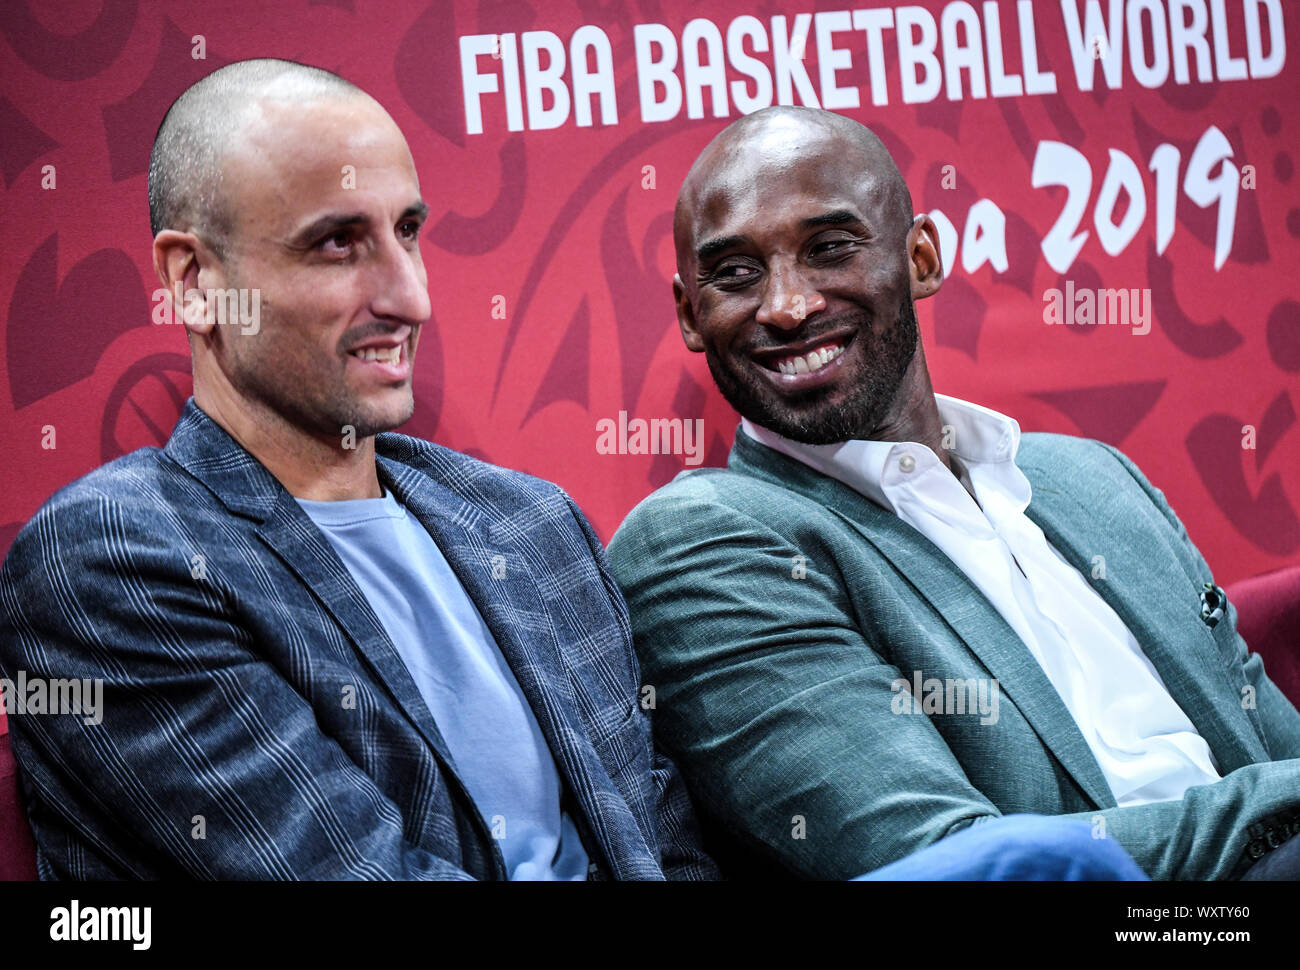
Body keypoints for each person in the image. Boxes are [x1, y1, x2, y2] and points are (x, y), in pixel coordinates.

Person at [607, 105, 1300, 881]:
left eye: (830, 248)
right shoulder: (704, 545)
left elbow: (1272, 740)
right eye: (735, 274)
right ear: (689, 315)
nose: (788, 306)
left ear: (923, 258)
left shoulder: (1097, 481)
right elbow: (946, 865)